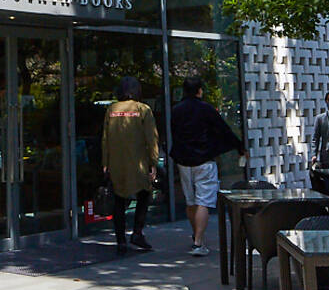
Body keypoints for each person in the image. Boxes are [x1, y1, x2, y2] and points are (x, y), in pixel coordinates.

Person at [169, 77, 244, 256]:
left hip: (183, 160)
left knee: (190, 201)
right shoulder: (206, 109)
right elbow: (224, 130)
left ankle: (196, 235)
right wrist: (239, 147)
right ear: (199, 90)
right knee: (203, 201)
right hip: (204, 159)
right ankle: (198, 242)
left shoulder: (176, 110)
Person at [101, 76, 159, 255]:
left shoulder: (111, 109)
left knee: (118, 200)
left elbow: (105, 139)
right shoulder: (143, 109)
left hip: (116, 162)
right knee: (144, 194)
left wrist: (105, 163)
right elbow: (151, 139)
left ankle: (121, 240)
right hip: (138, 162)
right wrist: (153, 162)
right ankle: (137, 233)